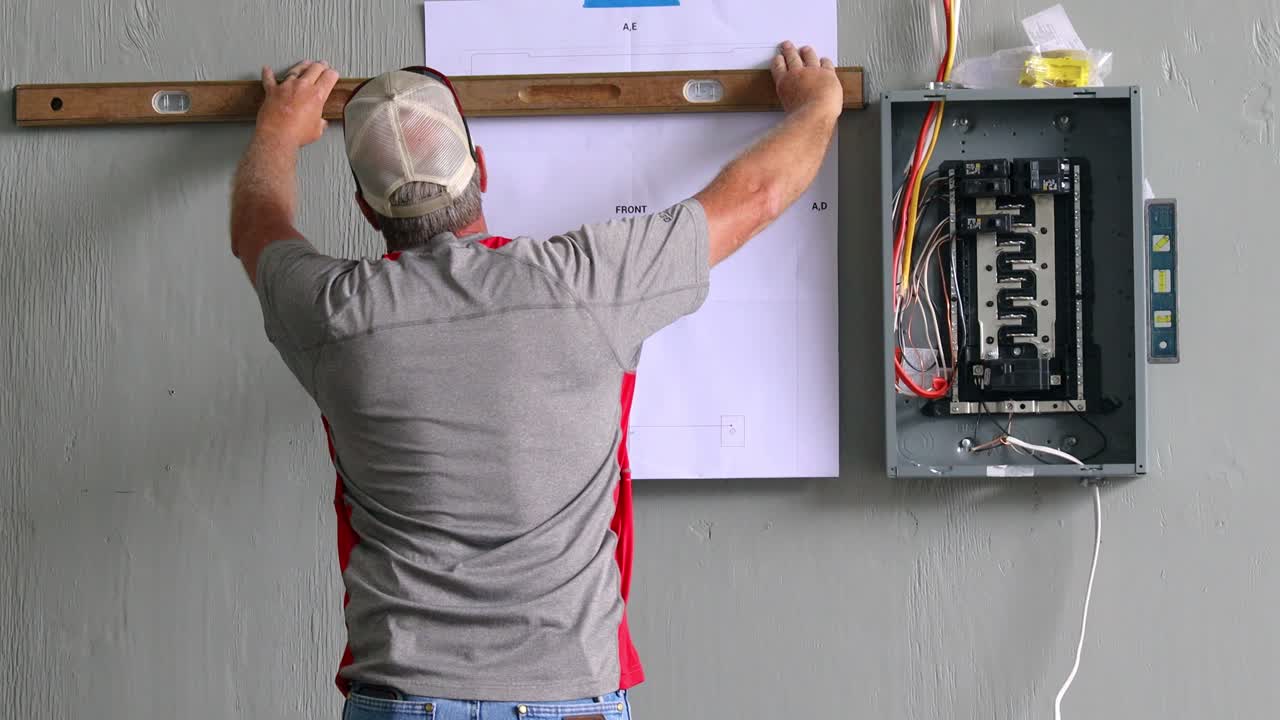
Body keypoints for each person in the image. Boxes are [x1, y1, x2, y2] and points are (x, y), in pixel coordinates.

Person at [230, 41, 842, 720]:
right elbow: (755, 195)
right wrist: (821, 104)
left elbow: (258, 227)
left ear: (365, 209)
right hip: (568, 695)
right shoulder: (585, 283)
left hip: (404, 695)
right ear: (481, 171)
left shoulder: (329, 312)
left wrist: (279, 129)